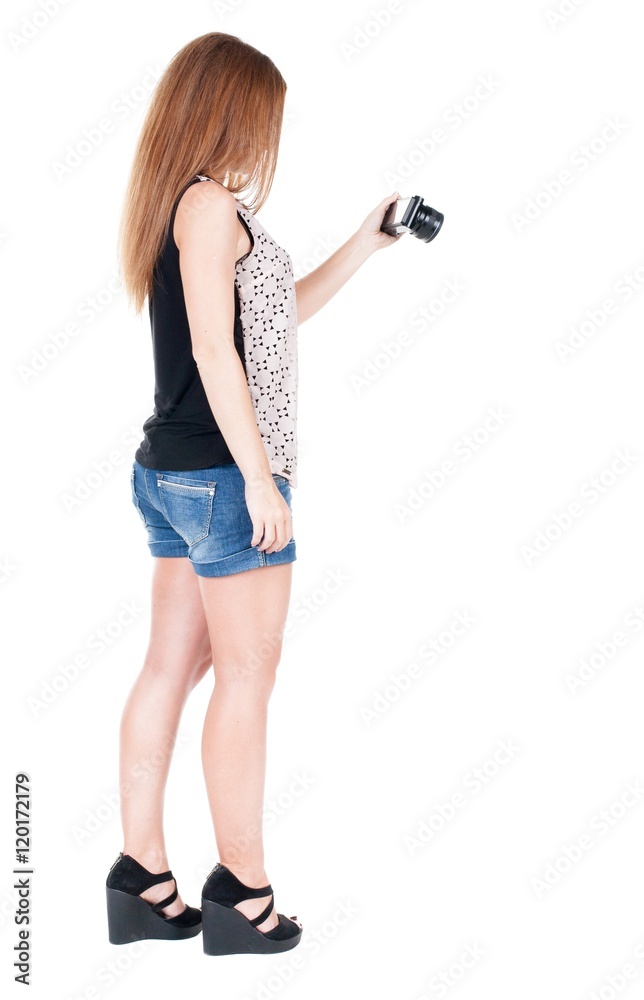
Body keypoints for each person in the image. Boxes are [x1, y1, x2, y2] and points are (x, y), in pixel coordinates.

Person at [104, 30, 403, 956]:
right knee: (245, 678)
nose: (267, 133)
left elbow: (274, 317)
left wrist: (366, 242)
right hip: (222, 481)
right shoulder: (206, 206)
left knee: (173, 667)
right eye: (262, 113)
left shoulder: (188, 204)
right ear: (228, 108)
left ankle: (142, 879)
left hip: (171, 473)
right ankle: (243, 891)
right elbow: (212, 349)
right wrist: (263, 480)